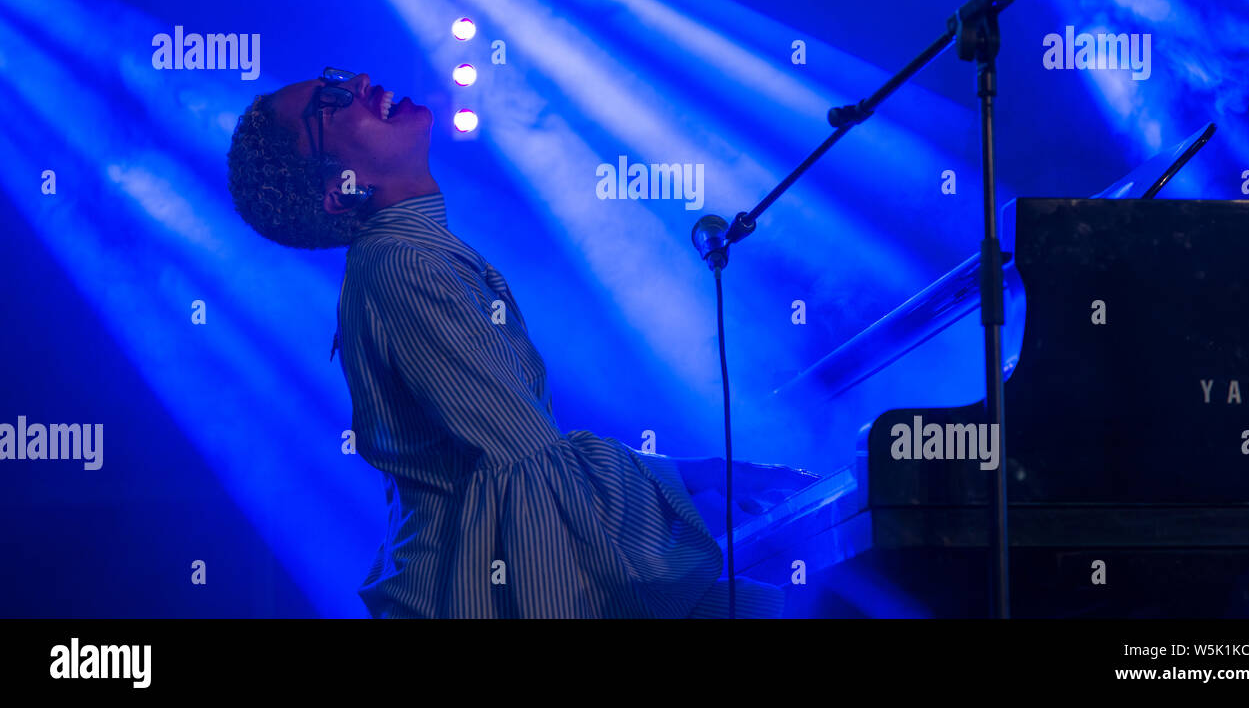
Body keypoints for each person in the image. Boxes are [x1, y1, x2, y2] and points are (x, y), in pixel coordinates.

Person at [226, 67, 816, 617]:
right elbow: (530, 473)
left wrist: (705, 471)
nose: (355, 81)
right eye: (330, 103)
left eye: (334, 78)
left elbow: (524, 457)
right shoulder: (404, 264)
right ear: (340, 191)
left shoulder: (408, 255)